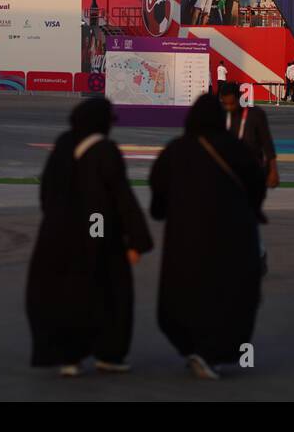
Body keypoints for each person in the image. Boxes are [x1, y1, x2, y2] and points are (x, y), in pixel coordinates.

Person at [26, 97, 153, 376]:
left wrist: (57, 223)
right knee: (112, 295)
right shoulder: (106, 150)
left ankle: (68, 356)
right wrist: (137, 240)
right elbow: (122, 198)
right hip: (100, 237)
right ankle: (109, 354)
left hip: (59, 236)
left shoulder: (62, 145)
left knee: (65, 295)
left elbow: (46, 190)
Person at [150, 94, 266, 380]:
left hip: (185, 240)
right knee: (230, 294)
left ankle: (195, 348)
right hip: (232, 239)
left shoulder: (176, 150)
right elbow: (256, 188)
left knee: (185, 291)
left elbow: (158, 195)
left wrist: (163, 211)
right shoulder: (235, 149)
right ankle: (210, 352)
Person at [220, 83, 279, 190]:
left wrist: (273, 171)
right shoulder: (221, 115)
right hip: (229, 171)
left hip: (253, 170)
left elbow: (267, 144)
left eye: (232, 103)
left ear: (239, 99)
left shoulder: (256, 115)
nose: (228, 107)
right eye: (225, 104)